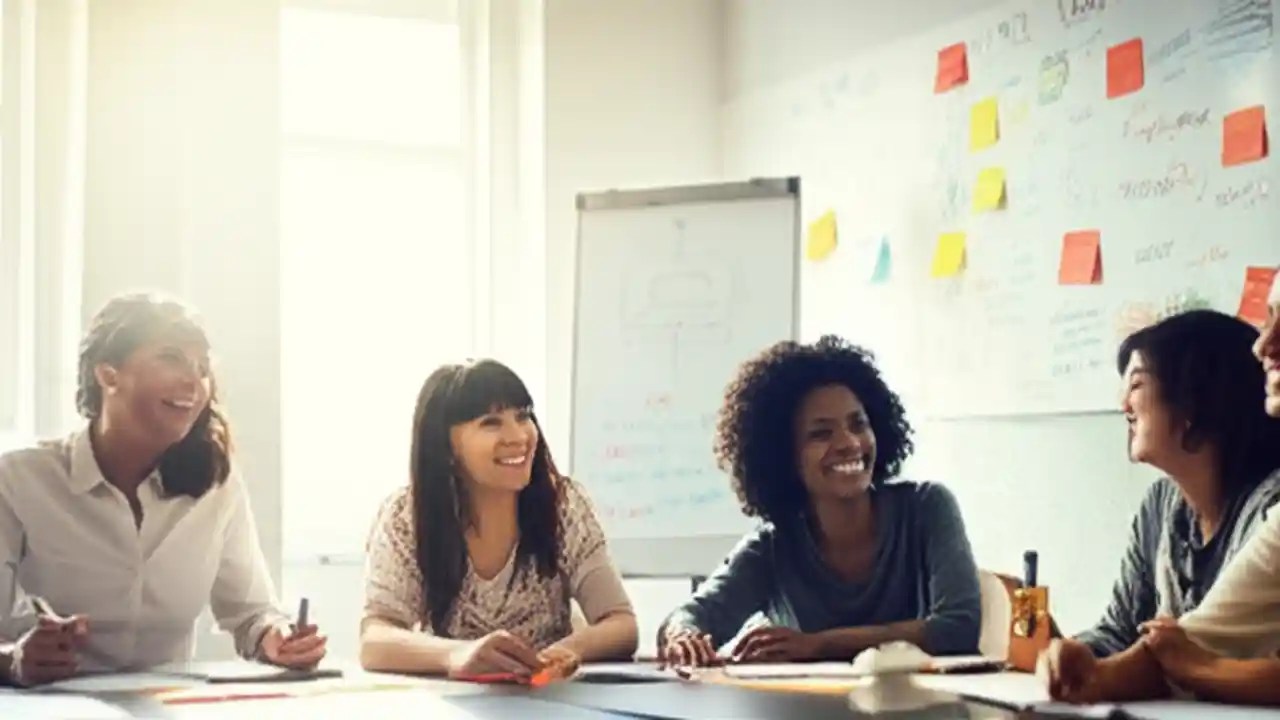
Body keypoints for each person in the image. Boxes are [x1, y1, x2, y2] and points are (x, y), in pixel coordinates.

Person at [0, 293, 326, 687]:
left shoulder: (215, 484)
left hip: (163, 708)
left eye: (202, 367)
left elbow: (252, 613)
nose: (193, 380)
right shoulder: (18, 479)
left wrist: (278, 639)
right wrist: (13, 660)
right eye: (171, 358)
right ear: (108, 374)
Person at [659, 335, 981, 667]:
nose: (849, 443)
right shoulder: (772, 548)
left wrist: (818, 645)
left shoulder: (927, 508)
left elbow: (958, 628)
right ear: (785, 457)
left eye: (859, 424)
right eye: (821, 433)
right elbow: (690, 617)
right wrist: (683, 636)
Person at [1044, 289, 1280, 706]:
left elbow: (1198, 648)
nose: (1123, 405)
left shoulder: (1268, 505)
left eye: (1136, 384)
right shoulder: (1160, 506)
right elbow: (1124, 632)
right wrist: (1072, 655)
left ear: (1194, 402)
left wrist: (1103, 675)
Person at [358, 359, 637, 679]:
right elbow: (375, 639)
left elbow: (620, 623)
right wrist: (456, 655)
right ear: (446, 447)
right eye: (491, 422)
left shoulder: (564, 505)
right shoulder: (405, 517)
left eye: (523, 416)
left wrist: (555, 656)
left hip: (551, 697)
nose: (518, 436)